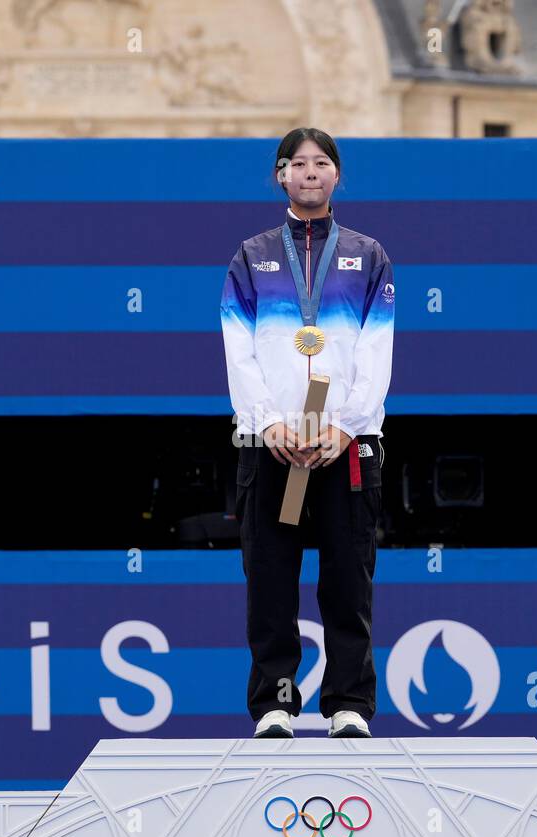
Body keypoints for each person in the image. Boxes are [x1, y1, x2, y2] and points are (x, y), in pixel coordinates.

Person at [220, 128, 395, 740]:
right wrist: (267, 422)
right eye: (299, 163)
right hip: (271, 445)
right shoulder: (252, 255)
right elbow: (237, 348)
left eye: (323, 163)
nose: (311, 172)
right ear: (280, 175)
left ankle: (348, 703)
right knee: (270, 580)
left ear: (337, 176)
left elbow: (377, 350)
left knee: (349, 580)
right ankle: (276, 703)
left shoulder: (369, 255)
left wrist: (345, 426)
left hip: (346, 446)